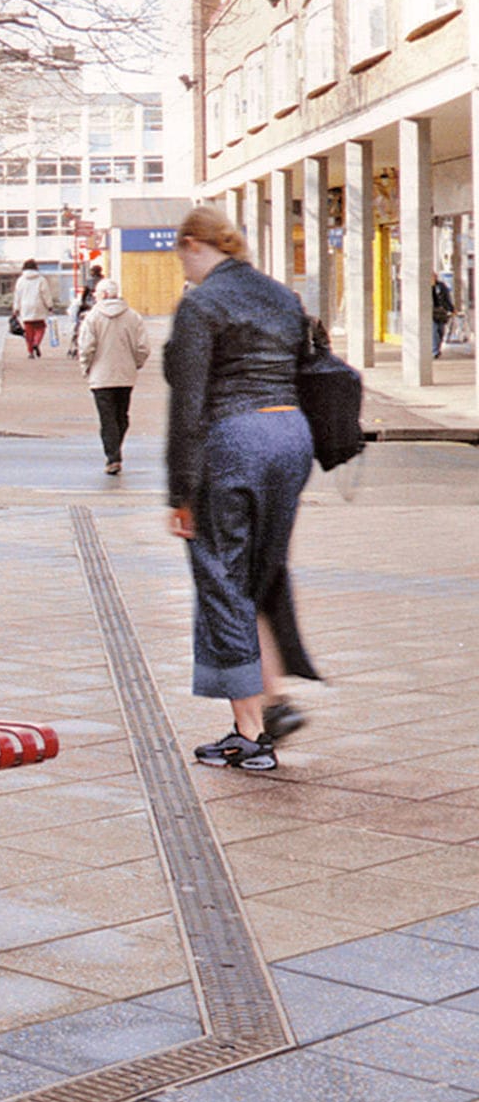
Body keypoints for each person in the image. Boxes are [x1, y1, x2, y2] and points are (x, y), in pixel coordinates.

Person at [164, 205, 320, 772]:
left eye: (180, 254)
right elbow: (311, 363)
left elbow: (187, 407)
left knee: (222, 578)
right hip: (290, 436)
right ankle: (270, 701)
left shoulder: (201, 304)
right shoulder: (281, 295)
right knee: (260, 570)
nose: (181, 267)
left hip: (234, 441)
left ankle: (251, 734)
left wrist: (180, 492)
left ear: (191, 244)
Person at [77, 280, 150, 475]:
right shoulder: (133, 317)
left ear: (102, 295)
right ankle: (115, 450)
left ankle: (113, 456)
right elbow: (143, 347)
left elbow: (86, 347)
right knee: (121, 416)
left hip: (100, 377)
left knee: (107, 418)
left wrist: (85, 367)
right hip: (126, 376)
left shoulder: (92, 318)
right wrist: (136, 364)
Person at [12, 258, 55, 358]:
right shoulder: (41, 280)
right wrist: (50, 306)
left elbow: (17, 296)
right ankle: (36, 343)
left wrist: (16, 309)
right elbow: (46, 294)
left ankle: (30, 351)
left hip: (25, 307)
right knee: (41, 327)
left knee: (28, 332)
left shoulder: (20, 280)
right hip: (38, 306)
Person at [70, 264, 103, 357]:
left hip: (89, 305)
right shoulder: (104, 281)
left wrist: (82, 304)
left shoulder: (89, 282)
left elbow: (84, 295)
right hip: (101, 306)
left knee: (80, 323)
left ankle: (78, 344)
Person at [432, 272, 455, 358]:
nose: (433, 278)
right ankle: (435, 351)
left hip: (441, 312)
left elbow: (447, 297)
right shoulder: (425, 287)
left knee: (441, 331)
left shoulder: (441, 286)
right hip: (431, 312)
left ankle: (437, 347)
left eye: (434, 276)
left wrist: (451, 308)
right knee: (433, 331)